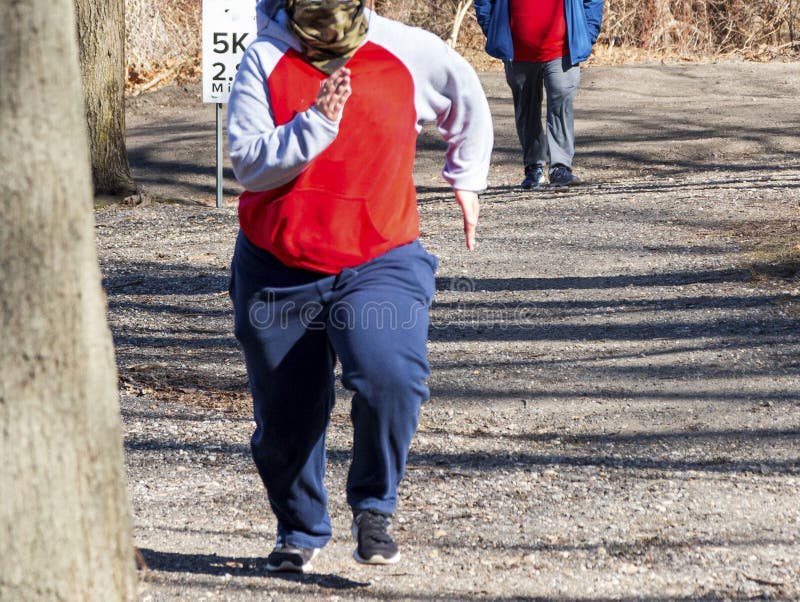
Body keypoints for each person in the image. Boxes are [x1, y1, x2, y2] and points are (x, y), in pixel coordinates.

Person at [226, 0, 492, 573]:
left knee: (391, 375)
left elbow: (464, 90)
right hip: (279, 269)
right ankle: (299, 529)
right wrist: (317, 124)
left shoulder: (405, 49)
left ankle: (373, 507)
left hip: (380, 257)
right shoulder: (264, 59)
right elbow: (248, 164)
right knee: (287, 417)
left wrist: (467, 176)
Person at [474, 0, 603, 189]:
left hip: (563, 51)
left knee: (561, 107)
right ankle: (534, 167)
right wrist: (494, 30)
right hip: (518, 52)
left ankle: (560, 167)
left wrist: (588, 32)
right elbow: (484, 3)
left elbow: (593, 2)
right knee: (526, 110)